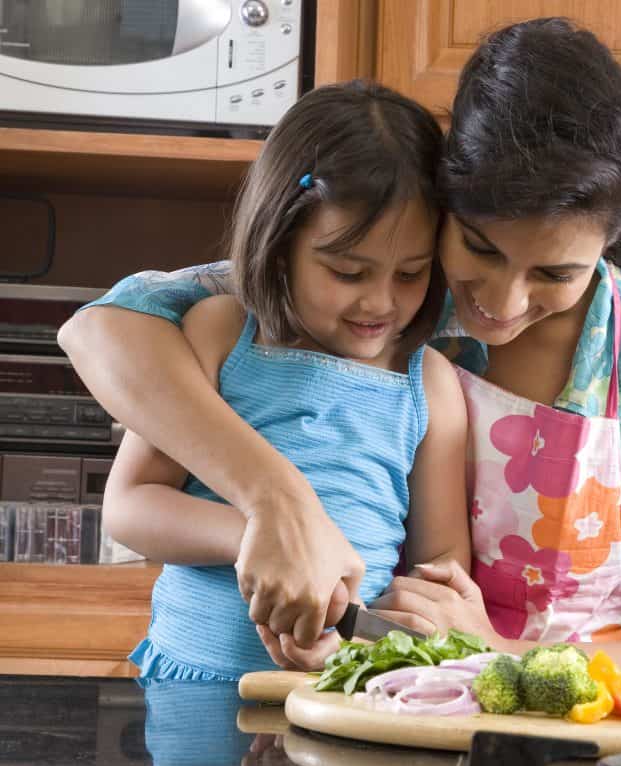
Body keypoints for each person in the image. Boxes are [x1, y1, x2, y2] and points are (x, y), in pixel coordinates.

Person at [59, 18, 621, 674]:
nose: (502, 300)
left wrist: (500, 655)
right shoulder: (387, 296)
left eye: (555, 272)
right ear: (444, 200)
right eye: (479, 248)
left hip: (563, 737)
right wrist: (276, 503)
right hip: (364, 698)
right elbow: (102, 326)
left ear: (609, 241)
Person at [97, 80, 470, 680]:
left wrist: (366, 649)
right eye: (348, 271)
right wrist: (261, 534)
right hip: (191, 674)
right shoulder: (218, 331)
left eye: (411, 273)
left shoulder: (428, 384)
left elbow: (439, 572)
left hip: (347, 692)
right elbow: (130, 505)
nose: (380, 301)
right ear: (279, 244)